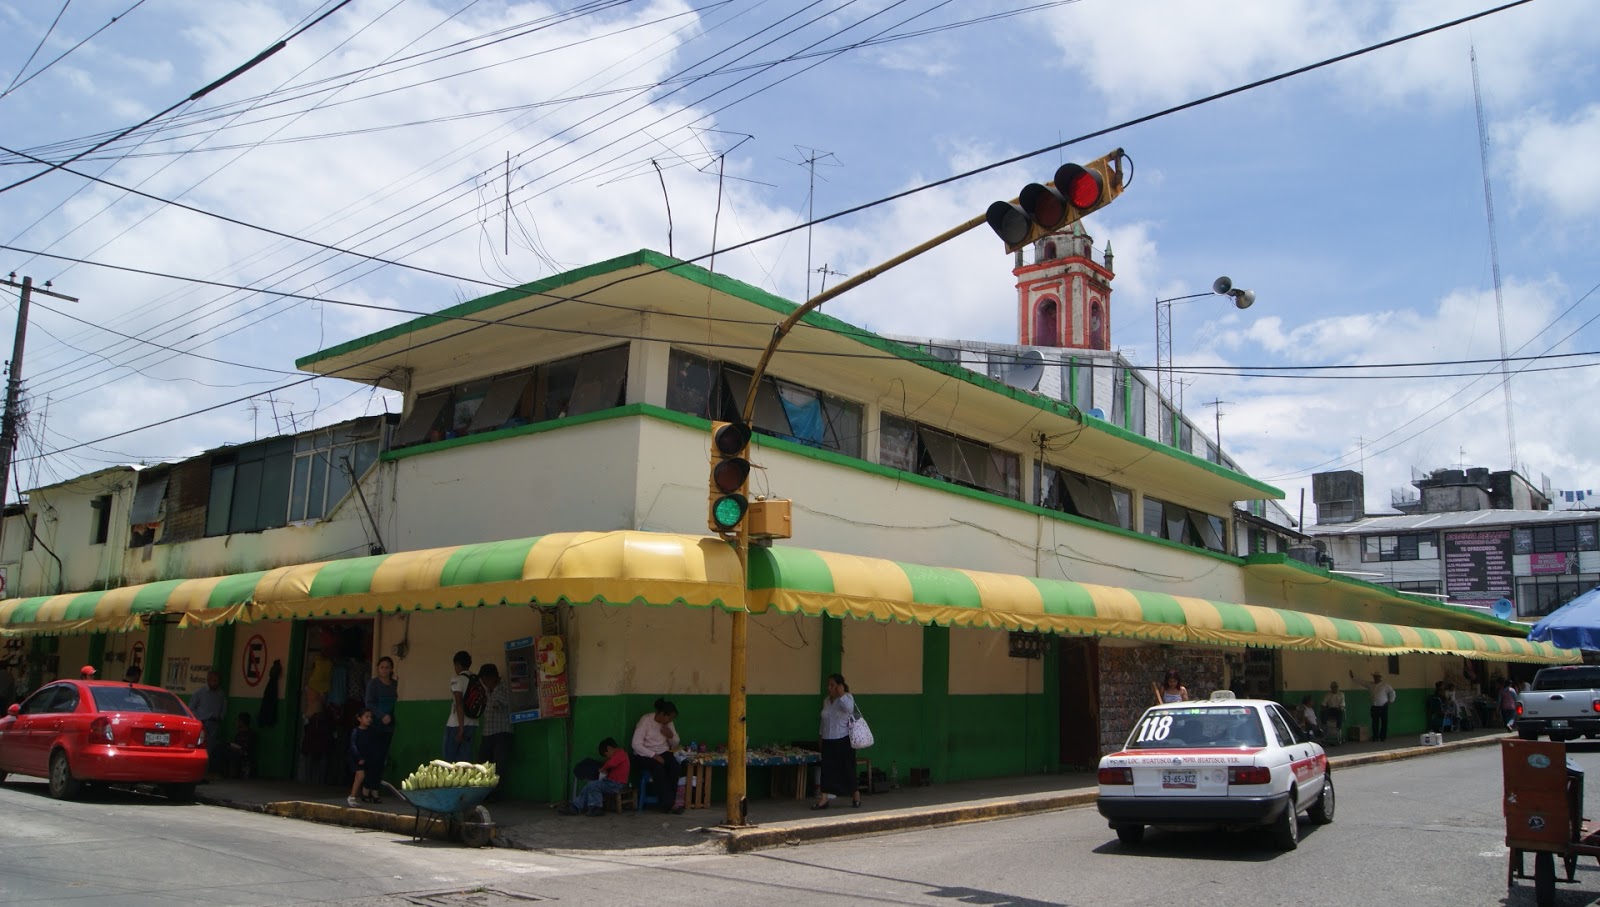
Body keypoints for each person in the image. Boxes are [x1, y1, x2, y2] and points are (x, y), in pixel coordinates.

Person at [814, 673, 861, 810]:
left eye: (832, 685)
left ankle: (855, 795)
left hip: (843, 739)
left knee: (847, 769)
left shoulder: (847, 698)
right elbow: (824, 721)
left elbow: (849, 709)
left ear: (839, 686)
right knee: (827, 770)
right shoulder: (826, 701)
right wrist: (821, 737)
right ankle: (824, 799)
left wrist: (841, 695)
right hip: (828, 740)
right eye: (828, 685)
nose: (829, 688)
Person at [631, 697, 684, 814]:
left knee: (675, 767)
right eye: (669, 717)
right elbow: (636, 744)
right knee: (658, 768)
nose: (670, 720)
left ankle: (670, 801)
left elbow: (675, 743)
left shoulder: (669, 724)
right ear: (661, 714)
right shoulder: (646, 721)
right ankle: (669, 804)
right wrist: (653, 755)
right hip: (643, 754)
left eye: (672, 718)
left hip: (663, 752)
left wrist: (671, 736)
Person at [560, 737, 630, 817]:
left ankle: (595, 807)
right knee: (590, 786)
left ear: (609, 748)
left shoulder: (620, 753)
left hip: (616, 784)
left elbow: (611, 763)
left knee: (593, 785)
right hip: (612, 783)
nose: (607, 758)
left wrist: (603, 768)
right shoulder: (619, 755)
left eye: (606, 755)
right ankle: (575, 806)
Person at [477, 664, 512, 801]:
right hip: (487, 732)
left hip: (501, 731)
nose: (484, 683)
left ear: (492, 678)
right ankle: (482, 792)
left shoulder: (504, 689)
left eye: (486, 680)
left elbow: (510, 704)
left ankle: (495, 794)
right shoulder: (486, 690)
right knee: (482, 763)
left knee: (499, 764)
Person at [365, 656, 398, 790]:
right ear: (378, 669)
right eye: (381, 667)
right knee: (374, 757)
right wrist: (381, 715)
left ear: (391, 670)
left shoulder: (395, 684)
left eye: (387, 667)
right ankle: (368, 789)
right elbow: (369, 703)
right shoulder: (374, 684)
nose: (384, 670)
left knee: (382, 758)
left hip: (389, 726)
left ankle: (375, 789)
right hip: (376, 725)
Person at [189, 670, 227, 775]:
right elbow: (191, 708)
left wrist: (220, 717)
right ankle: (197, 772)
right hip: (202, 723)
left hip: (214, 723)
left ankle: (204, 773)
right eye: (213, 680)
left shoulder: (220, 694)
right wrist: (198, 720)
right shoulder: (200, 693)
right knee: (200, 748)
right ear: (208, 680)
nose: (215, 683)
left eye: (217, 681)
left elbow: (224, 707)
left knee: (209, 749)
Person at [444, 650, 477, 762]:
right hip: (473, 723)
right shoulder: (476, 679)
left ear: (457, 664)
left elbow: (459, 703)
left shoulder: (457, 679)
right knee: (465, 761)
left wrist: (461, 729)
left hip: (456, 725)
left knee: (450, 760)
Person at [347, 708, 382, 806]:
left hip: (366, 758)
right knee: (360, 775)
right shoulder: (356, 731)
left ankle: (356, 796)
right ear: (359, 718)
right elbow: (353, 745)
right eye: (366, 717)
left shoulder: (371, 732)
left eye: (371, 717)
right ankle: (352, 797)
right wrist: (359, 757)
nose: (369, 719)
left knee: (364, 776)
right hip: (356, 758)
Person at [1350, 670, 1396, 741]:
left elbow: (1392, 692)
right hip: (1374, 706)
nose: (1375, 678)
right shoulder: (1370, 684)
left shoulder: (1385, 685)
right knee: (1375, 722)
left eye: (1377, 677)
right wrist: (1353, 677)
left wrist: (1390, 701)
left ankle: (1382, 737)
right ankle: (1375, 736)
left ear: (1380, 678)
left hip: (1383, 706)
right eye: (1374, 677)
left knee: (1384, 722)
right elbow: (1362, 682)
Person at [227, 713, 257, 779]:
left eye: (238, 721)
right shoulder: (239, 733)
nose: (236, 722)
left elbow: (248, 748)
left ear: (242, 722)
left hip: (244, 753)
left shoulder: (251, 734)